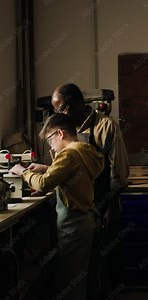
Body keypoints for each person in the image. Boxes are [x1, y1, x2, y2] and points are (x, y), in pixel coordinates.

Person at [9, 113, 104, 300]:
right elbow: (72, 171)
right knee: (82, 277)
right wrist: (46, 168)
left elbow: (43, 184)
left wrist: (22, 172)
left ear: (60, 133)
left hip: (73, 225)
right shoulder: (84, 149)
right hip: (85, 221)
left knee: (70, 280)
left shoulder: (68, 153)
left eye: (50, 140)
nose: (51, 145)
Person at [51, 83, 130, 291]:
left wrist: (112, 208)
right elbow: (59, 168)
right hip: (78, 211)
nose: (59, 115)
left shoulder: (106, 127)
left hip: (105, 203)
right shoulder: (64, 132)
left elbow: (119, 173)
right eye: (56, 111)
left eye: (61, 109)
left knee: (106, 261)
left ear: (77, 103)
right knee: (79, 269)